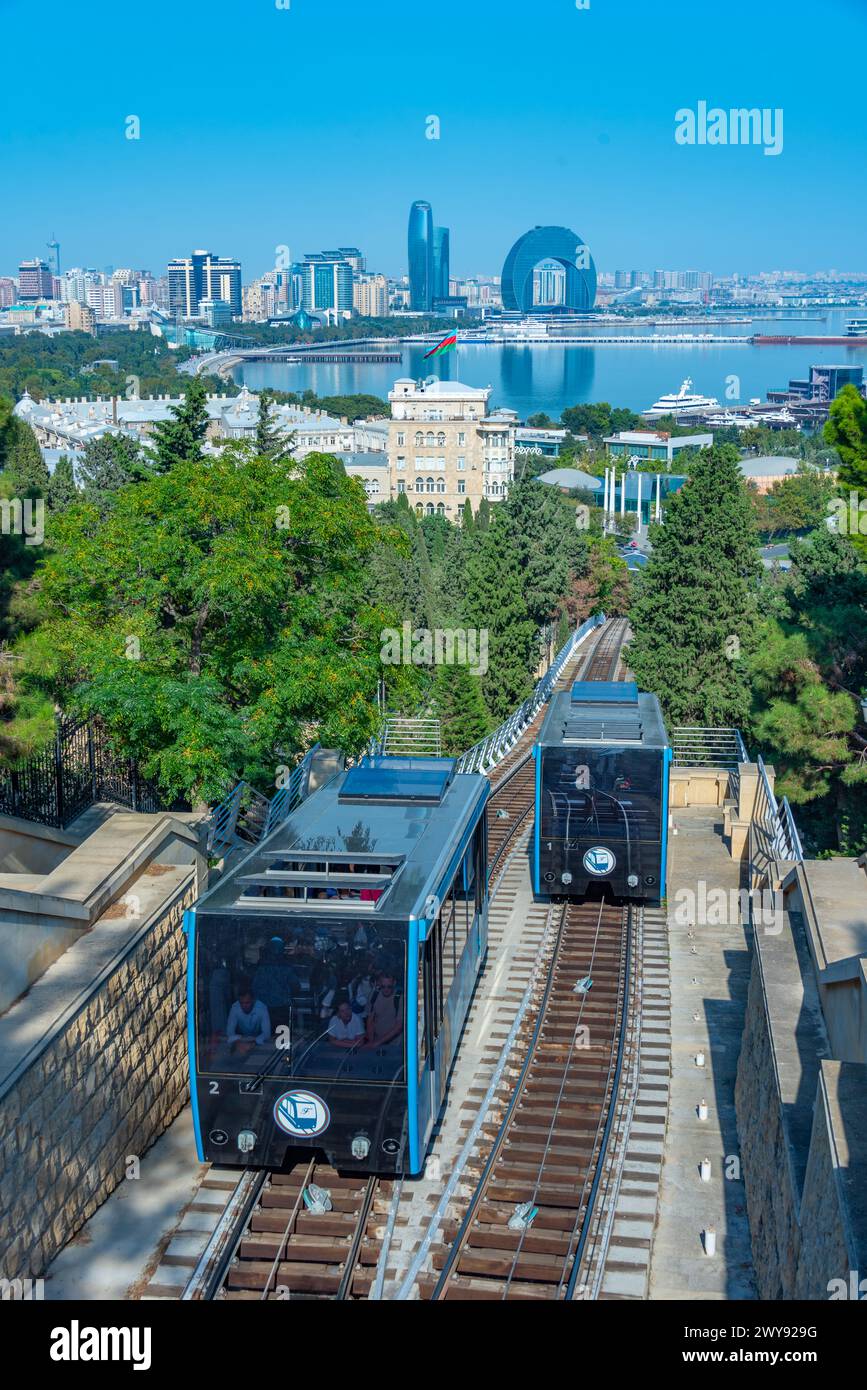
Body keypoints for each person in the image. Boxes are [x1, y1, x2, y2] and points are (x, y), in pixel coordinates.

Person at [226, 982, 271, 1056]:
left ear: (253, 1000)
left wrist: (252, 1044)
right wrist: (238, 1043)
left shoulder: (262, 1008)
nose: (244, 1006)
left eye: (247, 1003)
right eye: (241, 1003)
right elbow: (229, 1031)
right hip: (241, 1042)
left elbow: (266, 1033)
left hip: (258, 1042)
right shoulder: (235, 1007)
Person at [365, 972, 404, 1047]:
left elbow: (399, 1026)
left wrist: (377, 1043)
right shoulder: (374, 995)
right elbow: (370, 1021)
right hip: (377, 1040)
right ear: (379, 984)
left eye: (389, 986)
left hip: (395, 1043)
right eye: (383, 986)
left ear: (394, 983)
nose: (386, 989)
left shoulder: (400, 998)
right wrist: (371, 1041)